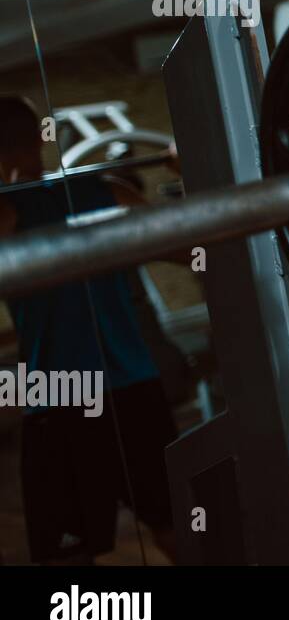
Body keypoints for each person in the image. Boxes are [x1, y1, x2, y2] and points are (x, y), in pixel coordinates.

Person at [0, 95, 178, 564]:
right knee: (176, 528)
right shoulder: (109, 191)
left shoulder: (6, 215)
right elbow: (190, 243)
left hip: (62, 400)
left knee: (66, 555)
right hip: (137, 389)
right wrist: (191, 172)